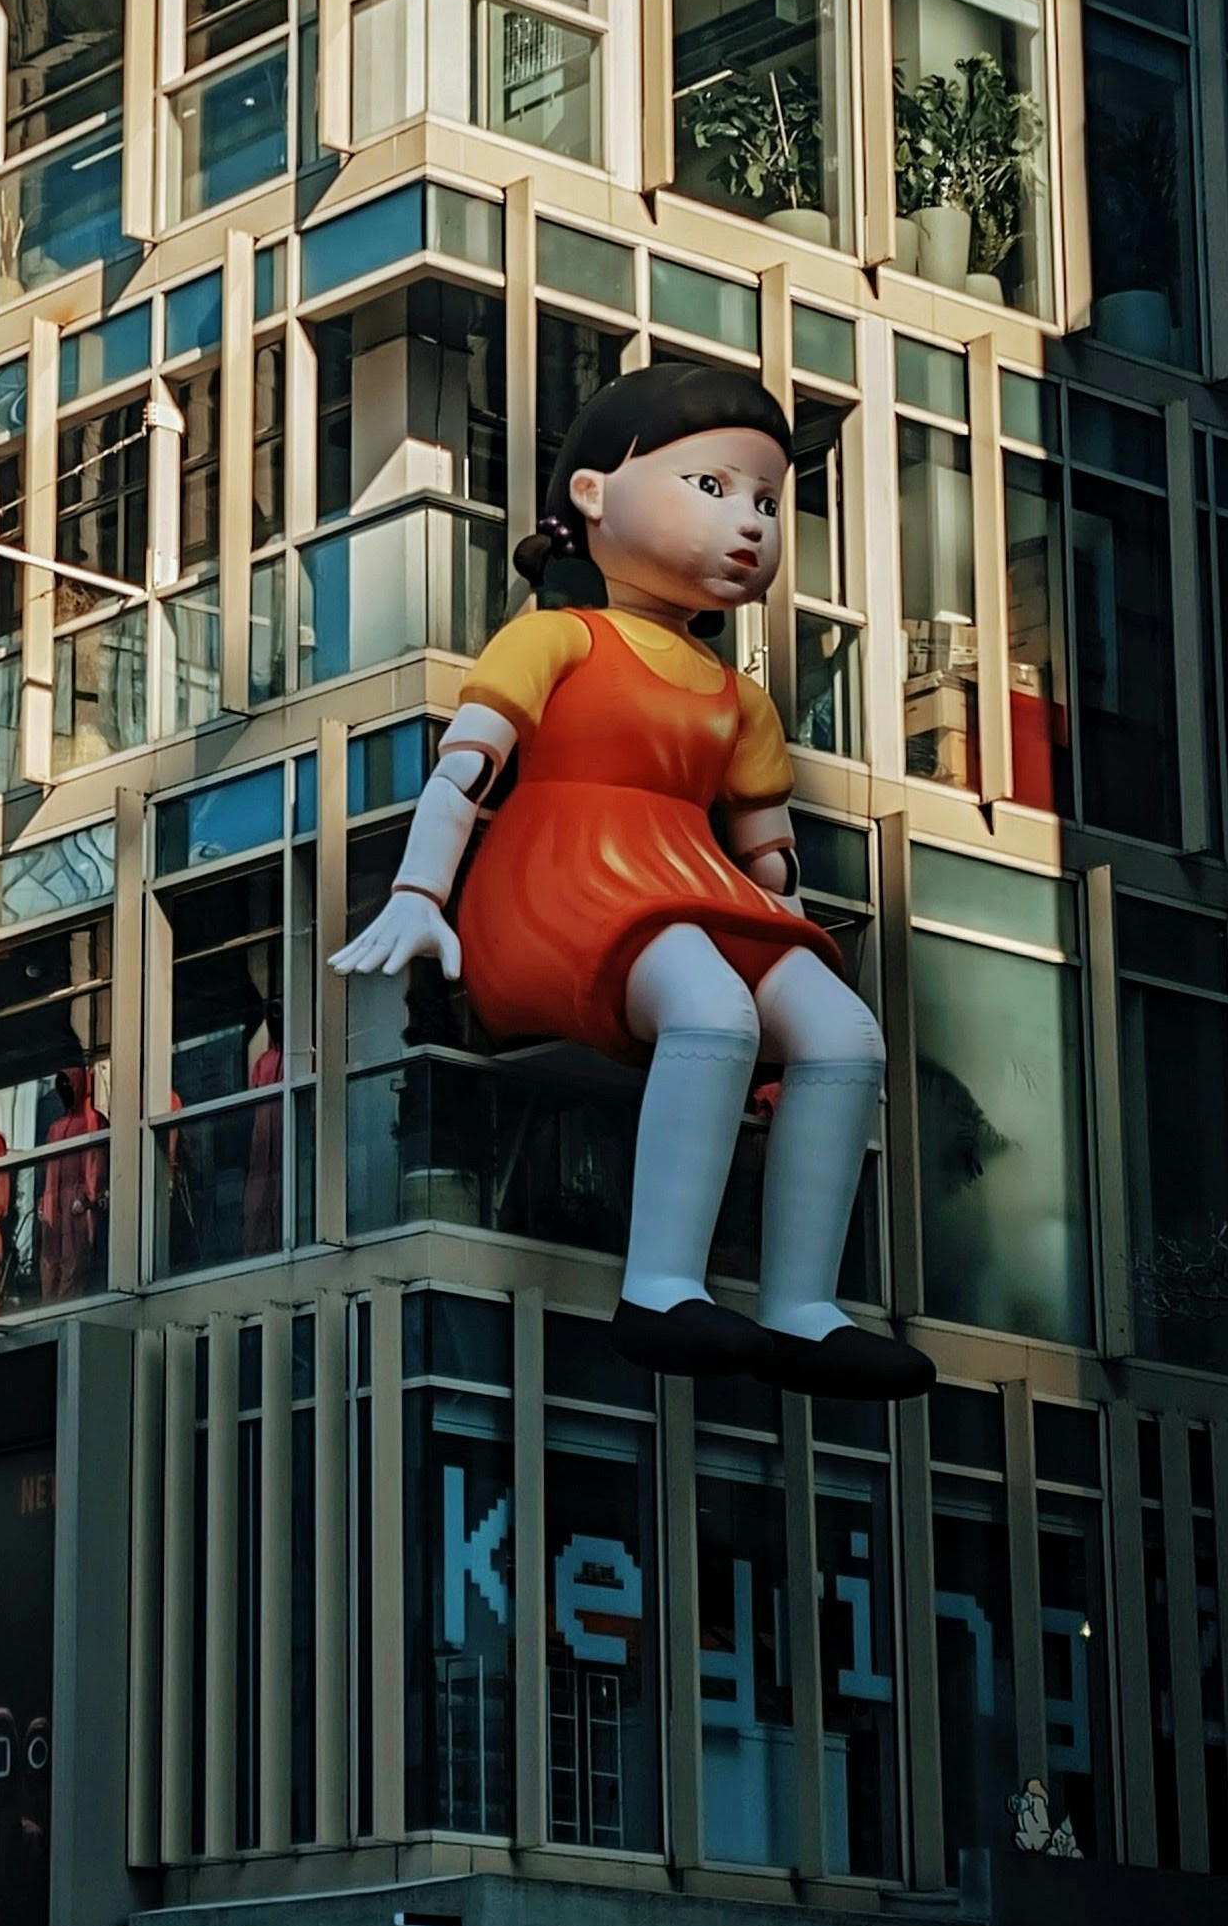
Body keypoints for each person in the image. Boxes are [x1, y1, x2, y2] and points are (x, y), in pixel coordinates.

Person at [333, 361, 928, 1398]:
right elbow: (467, 768)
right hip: (560, 881)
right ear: (592, 494)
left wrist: (787, 955)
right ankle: (658, 1285)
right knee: (708, 1008)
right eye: (711, 488)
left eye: (763, 502)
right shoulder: (553, 636)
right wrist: (419, 893)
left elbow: (765, 851)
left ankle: (801, 1307)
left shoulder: (736, 697)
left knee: (843, 1032)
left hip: (693, 890)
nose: (748, 523)